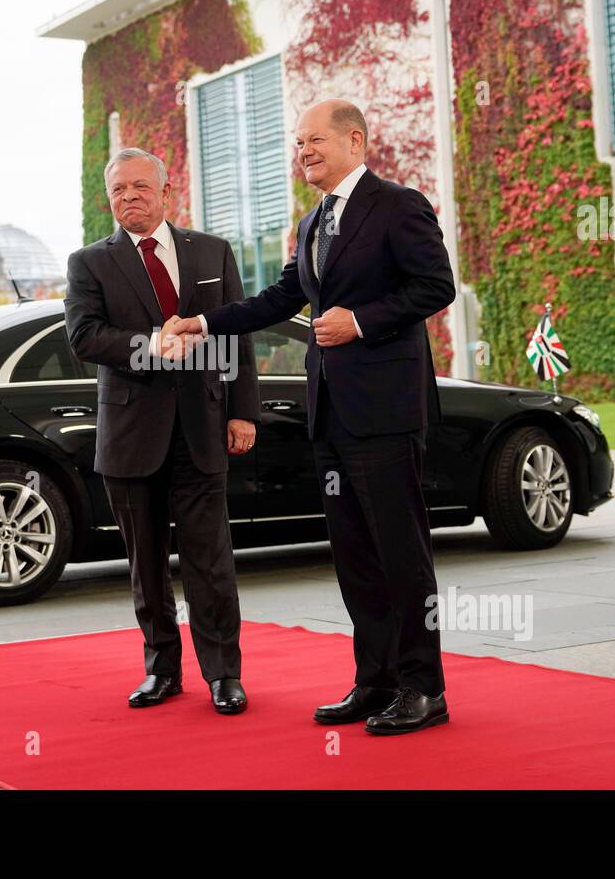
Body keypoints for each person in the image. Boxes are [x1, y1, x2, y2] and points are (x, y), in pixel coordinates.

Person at [175, 100, 456, 734]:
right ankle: (375, 681)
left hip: (385, 413)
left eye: (314, 140)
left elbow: (436, 286)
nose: (302, 151)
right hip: (330, 417)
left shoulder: (400, 205)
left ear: (355, 140)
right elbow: (280, 297)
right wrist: (202, 321)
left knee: (401, 555)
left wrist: (359, 321)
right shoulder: (311, 223)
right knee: (355, 556)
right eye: (297, 142)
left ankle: (424, 688)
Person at [64, 147, 259, 714]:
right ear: (110, 200)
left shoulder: (212, 251)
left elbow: (238, 333)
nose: (130, 198)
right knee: (145, 564)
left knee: (211, 560)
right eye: (119, 190)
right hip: (131, 432)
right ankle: (162, 669)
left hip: (202, 426)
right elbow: (84, 337)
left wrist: (242, 411)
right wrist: (151, 344)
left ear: (165, 192)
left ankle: (224, 673)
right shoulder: (89, 263)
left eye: (140, 187)